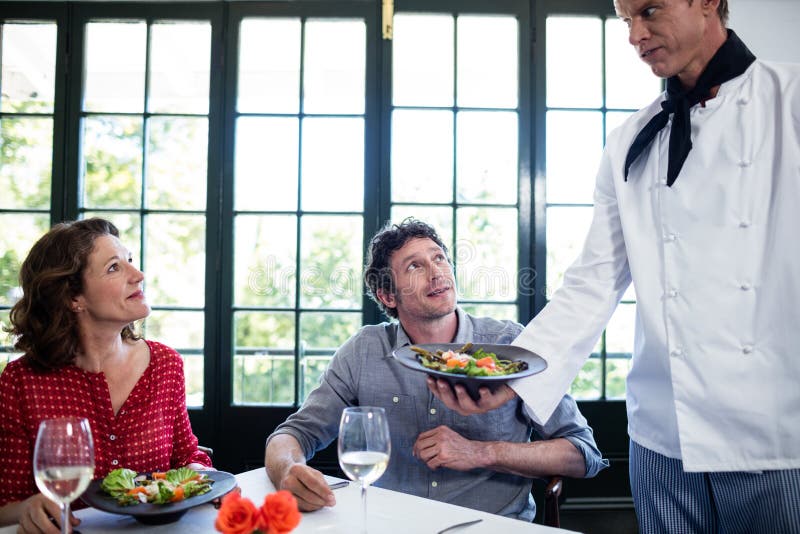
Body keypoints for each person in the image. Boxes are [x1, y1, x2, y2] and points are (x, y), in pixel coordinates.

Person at [430, 1, 800, 532]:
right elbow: (593, 281)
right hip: (662, 438)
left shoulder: (790, 100)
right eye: (626, 19)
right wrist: (512, 376)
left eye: (649, 11)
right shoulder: (630, 139)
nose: (635, 35)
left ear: (708, 2)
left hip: (776, 438)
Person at [265, 219, 607, 521]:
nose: (437, 272)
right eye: (415, 266)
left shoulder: (511, 346)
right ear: (387, 295)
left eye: (439, 258)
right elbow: (291, 435)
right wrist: (287, 471)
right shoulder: (363, 351)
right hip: (391, 526)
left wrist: (479, 452)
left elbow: (583, 454)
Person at [0, 218, 212, 533]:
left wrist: (199, 475)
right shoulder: (21, 382)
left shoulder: (166, 364)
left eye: (130, 261)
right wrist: (27, 509)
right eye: (114, 268)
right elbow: (6, 504)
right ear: (73, 298)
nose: (138, 275)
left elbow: (186, 457)